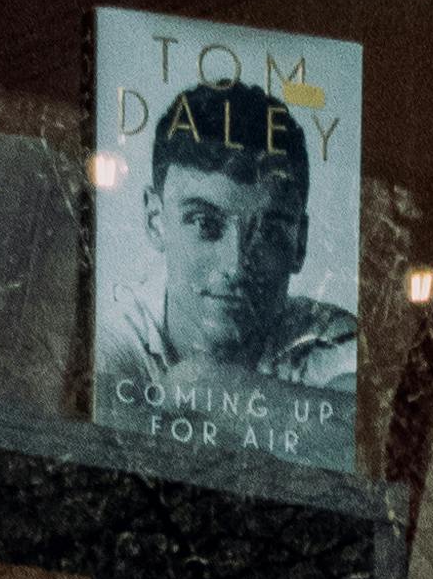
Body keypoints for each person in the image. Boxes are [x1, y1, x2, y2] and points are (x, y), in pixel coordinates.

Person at [103, 77, 356, 456]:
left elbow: (375, 445)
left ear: (299, 242)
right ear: (156, 221)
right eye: (206, 224)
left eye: (268, 232)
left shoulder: (325, 336)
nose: (235, 266)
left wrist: (196, 383)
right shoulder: (114, 336)